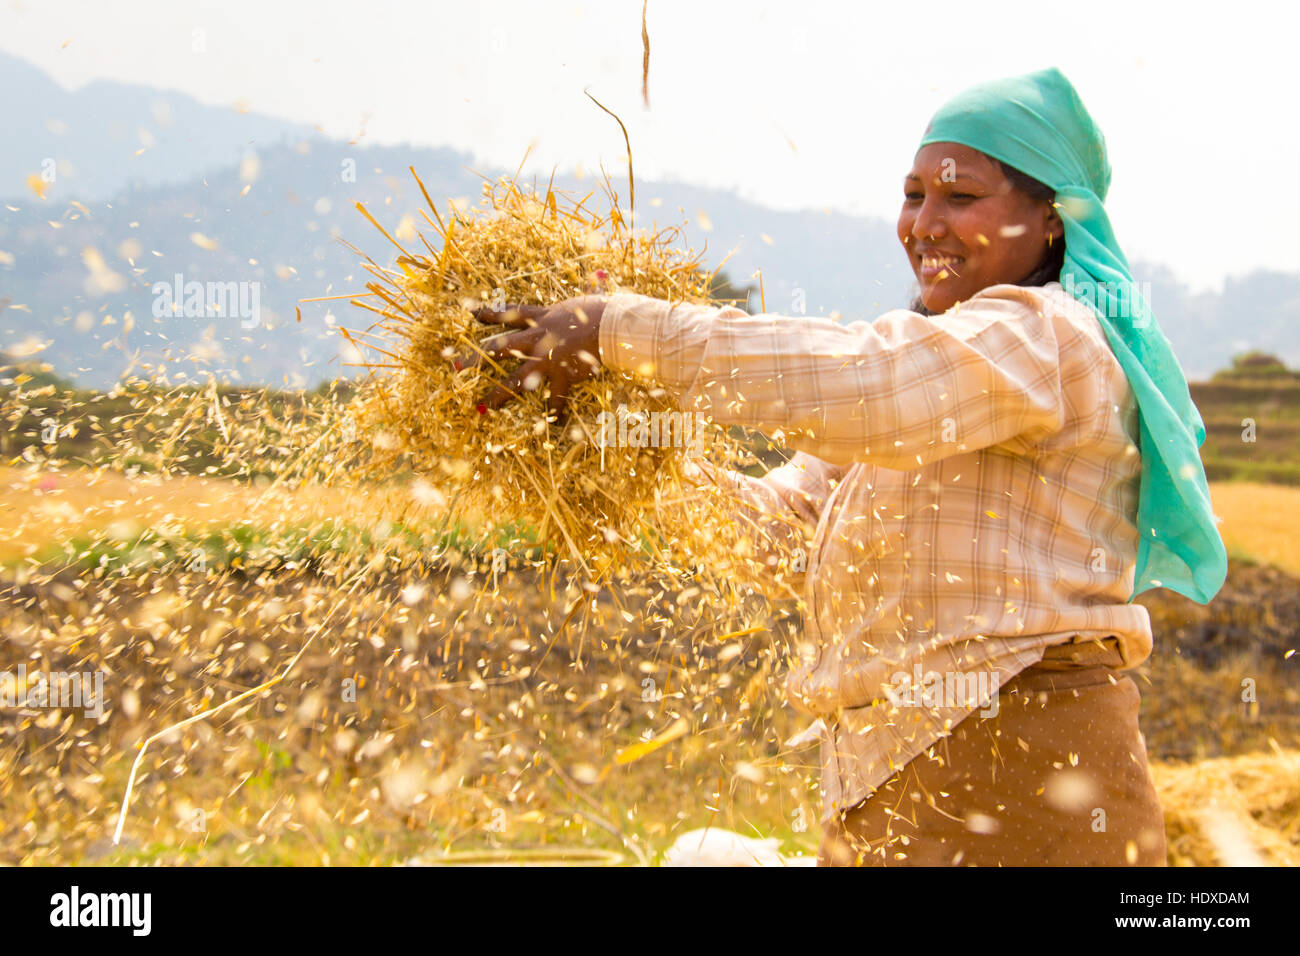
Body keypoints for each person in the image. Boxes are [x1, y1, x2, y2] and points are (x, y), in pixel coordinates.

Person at [469, 67, 1226, 866]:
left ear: (1050, 221)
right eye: (913, 196)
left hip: (1025, 784)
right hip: (891, 788)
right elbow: (787, 531)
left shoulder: (1051, 340)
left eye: (959, 197)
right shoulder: (940, 365)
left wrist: (619, 329)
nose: (924, 225)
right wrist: (605, 451)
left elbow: (873, 383)